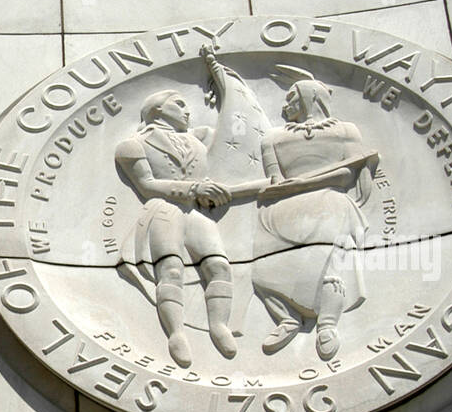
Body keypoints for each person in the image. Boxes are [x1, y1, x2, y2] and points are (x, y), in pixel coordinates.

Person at [250, 76, 379, 359]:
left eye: (292, 96)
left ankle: (328, 325)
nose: (286, 104)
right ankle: (288, 318)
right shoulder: (272, 139)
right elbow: (275, 179)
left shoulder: (345, 131)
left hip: (328, 202)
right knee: (261, 271)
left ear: (310, 97)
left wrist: (302, 184)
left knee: (326, 267)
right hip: (282, 207)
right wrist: (288, 187)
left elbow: (347, 174)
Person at [115, 88, 237, 368]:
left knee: (219, 267)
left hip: (196, 212)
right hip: (164, 210)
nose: (188, 110)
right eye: (179, 104)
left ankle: (219, 325)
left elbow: (231, 127)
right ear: (157, 109)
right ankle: (176, 333)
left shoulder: (199, 138)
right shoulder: (132, 145)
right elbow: (146, 186)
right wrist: (194, 187)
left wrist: (222, 88)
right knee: (170, 270)